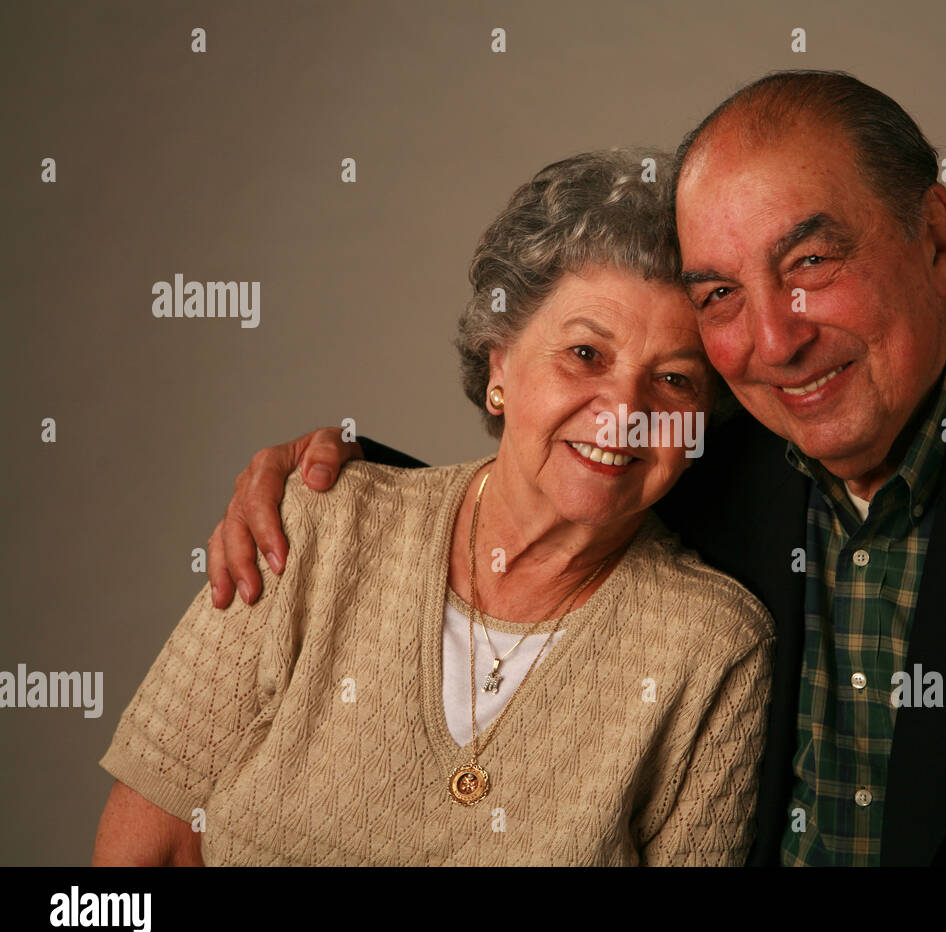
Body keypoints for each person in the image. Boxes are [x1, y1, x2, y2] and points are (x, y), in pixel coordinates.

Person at [200, 71, 946, 866]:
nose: (773, 340)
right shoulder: (709, 440)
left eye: (811, 263)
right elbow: (564, 472)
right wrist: (332, 474)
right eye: (720, 292)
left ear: (936, 237)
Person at [92, 147, 775, 866]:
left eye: (673, 379)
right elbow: (148, 856)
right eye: (585, 354)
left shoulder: (713, 648)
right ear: (499, 363)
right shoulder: (319, 525)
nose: (624, 413)